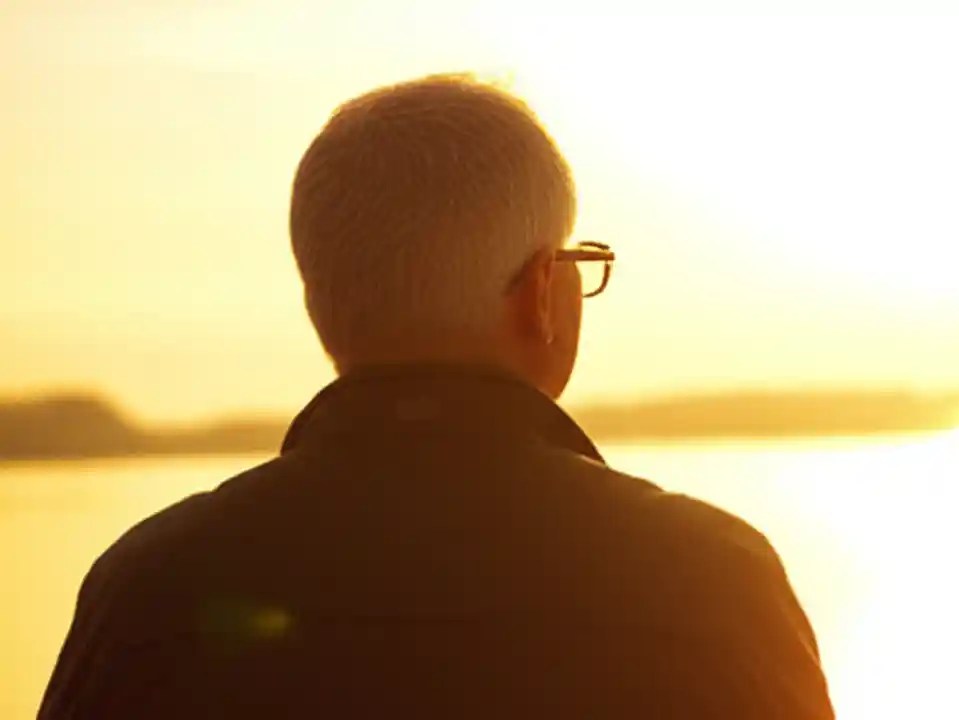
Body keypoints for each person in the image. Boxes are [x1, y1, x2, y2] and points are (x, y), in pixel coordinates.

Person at [39, 74, 834, 719]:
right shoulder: (709, 581)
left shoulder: (150, 591)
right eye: (575, 265)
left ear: (321, 301)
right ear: (541, 294)